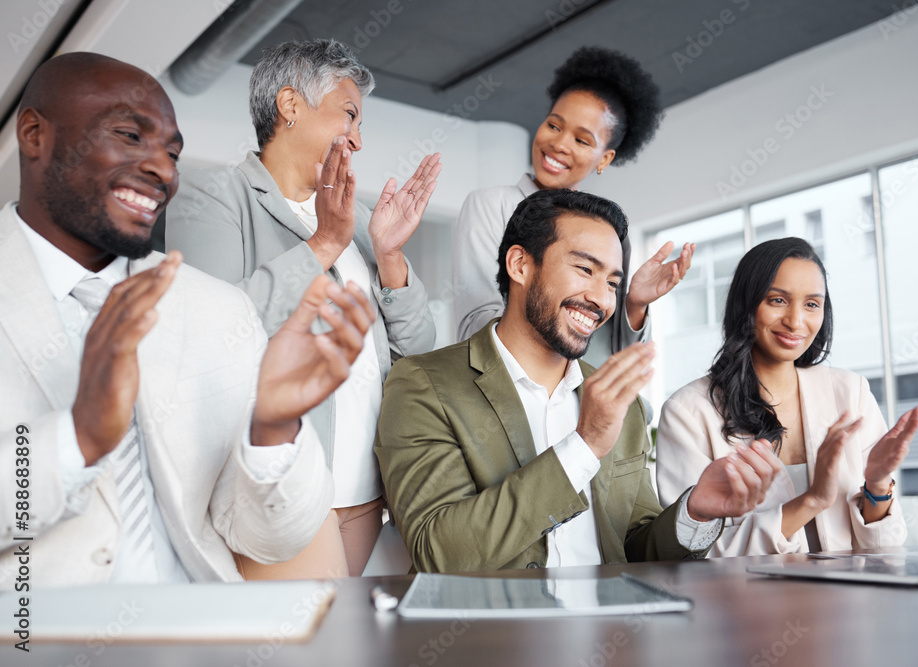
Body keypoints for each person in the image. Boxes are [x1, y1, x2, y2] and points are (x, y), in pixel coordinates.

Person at [0, 52, 377, 586]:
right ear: (34, 135)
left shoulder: (212, 306)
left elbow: (268, 539)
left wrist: (274, 432)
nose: (162, 169)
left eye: (172, 152)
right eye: (130, 135)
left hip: (205, 620)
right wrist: (77, 438)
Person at [376, 189, 783, 573]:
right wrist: (584, 446)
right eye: (585, 270)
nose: (602, 300)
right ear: (520, 265)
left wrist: (696, 511)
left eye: (612, 283)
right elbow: (439, 553)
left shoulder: (622, 405)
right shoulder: (424, 384)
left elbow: (634, 550)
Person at [166, 39, 439, 577]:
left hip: (367, 493)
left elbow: (419, 353)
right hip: (284, 489)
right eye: (349, 114)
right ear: (290, 106)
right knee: (307, 630)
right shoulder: (215, 196)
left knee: (347, 629)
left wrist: (389, 257)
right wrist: (324, 245)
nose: (357, 139)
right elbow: (212, 335)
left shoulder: (360, 221)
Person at [656, 238, 918, 556]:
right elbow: (695, 552)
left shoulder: (851, 392)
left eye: (812, 304)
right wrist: (813, 500)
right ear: (746, 304)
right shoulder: (687, 411)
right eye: (778, 300)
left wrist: (877, 483)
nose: (795, 322)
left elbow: (884, 549)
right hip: (747, 590)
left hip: (849, 587)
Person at [452, 46, 694, 368]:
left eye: (582, 140)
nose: (559, 144)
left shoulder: (610, 233)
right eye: (554, 125)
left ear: (604, 159)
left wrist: (634, 304)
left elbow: (611, 359)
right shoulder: (491, 204)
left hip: (577, 395)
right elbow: (475, 328)